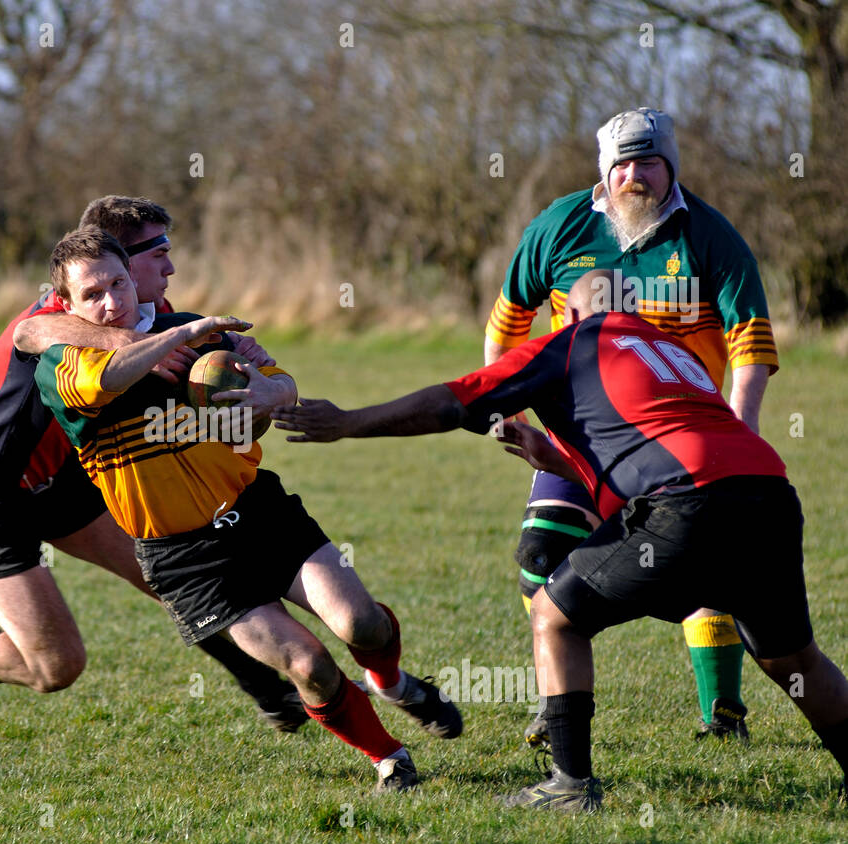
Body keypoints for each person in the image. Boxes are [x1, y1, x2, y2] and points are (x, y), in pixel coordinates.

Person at [274, 269, 848, 810]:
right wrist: (562, 461)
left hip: (686, 500)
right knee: (794, 657)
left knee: (554, 613)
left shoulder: (575, 340)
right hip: (768, 493)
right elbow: (655, 446)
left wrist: (348, 422)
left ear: (569, 312)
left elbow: (455, 400)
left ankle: (571, 784)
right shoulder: (677, 356)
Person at [0, 196, 307, 733]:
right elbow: (27, 334)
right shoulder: (61, 318)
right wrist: (126, 339)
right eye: (159, 253)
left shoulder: (151, 322)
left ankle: (270, 689)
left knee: (173, 579)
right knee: (55, 668)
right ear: (121, 263)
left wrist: (253, 374)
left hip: (62, 484)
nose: (170, 267)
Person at [28, 226, 462, 793]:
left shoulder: (206, 337)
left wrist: (270, 394)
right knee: (308, 667)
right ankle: (390, 759)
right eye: (92, 294)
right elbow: (107, 377)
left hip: (258, 512)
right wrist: (179, 336)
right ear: (67, 304)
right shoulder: (62, 363)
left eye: (118, 283)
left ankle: (391, 680)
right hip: (184, 556)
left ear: (132, 280)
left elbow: (283, 382)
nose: (111, 301)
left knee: (364, 624)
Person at [484, 108, 779, 743]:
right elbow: (505, 324)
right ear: (604, 171)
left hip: (683, 442)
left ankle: (722, 714)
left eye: (647, 161)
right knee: (540, 555)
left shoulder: (709, 236)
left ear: (670, 165)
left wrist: (741, 430)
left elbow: (750, 349)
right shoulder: (559, 226)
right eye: (620, 163)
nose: (632, 175)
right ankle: (553, 697)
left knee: (705, 573)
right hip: (583, 440)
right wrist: (507, 410)